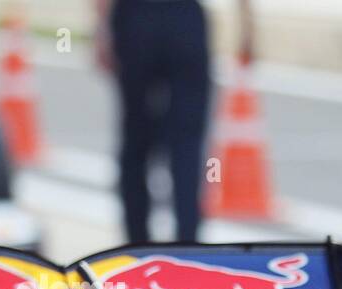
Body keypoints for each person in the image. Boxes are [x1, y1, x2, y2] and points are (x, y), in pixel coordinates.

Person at [94, 0, 254, 242]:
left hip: (136, 21)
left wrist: (101, 29)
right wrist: (246, 26)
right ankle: (188, 239)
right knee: (187, 142)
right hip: (183, 20)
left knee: (137, 138)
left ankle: (137, 242)